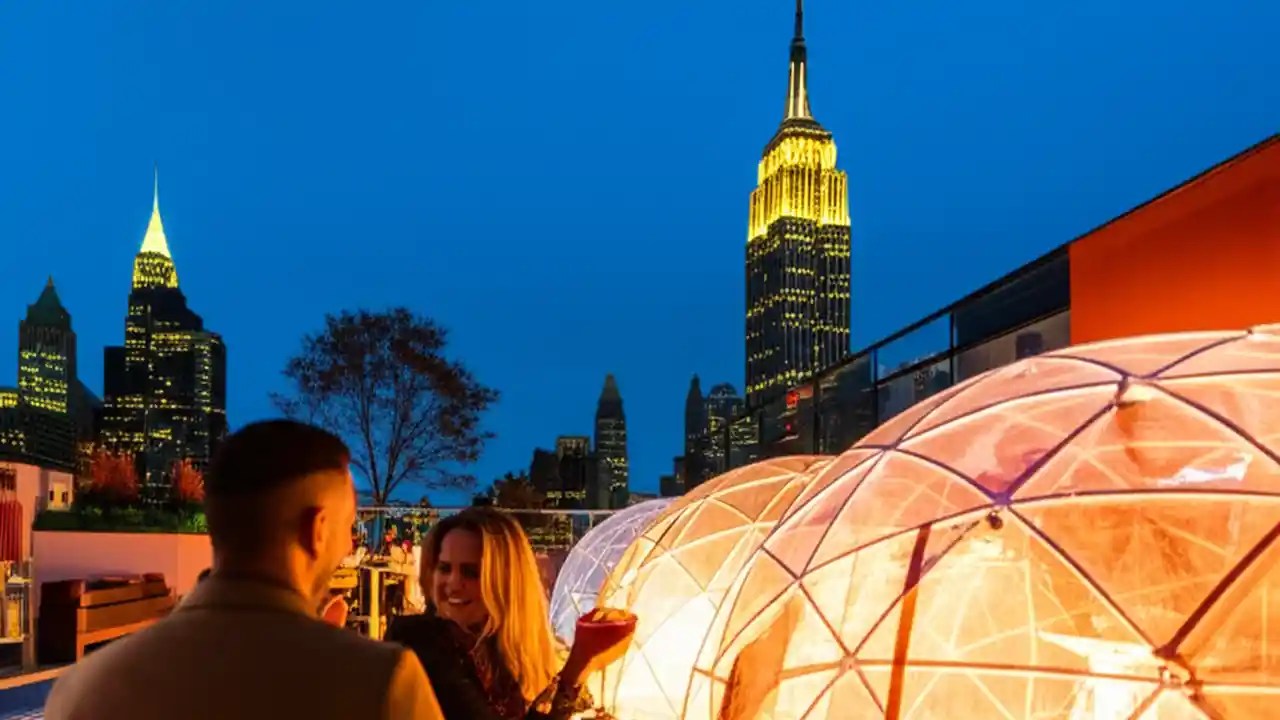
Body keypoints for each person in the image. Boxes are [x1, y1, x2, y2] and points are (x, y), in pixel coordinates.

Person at [45, 420, 444, 720]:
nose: (347, 546)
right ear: (318, 529)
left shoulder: (82, 688)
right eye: (347, 529)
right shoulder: (379, 683)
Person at [385, 508, 632, 720]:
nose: (453, 583)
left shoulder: (495, 650)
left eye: (471, 572)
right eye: (445, 568)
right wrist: (576, 668)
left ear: (507, 582)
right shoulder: (420, 643)